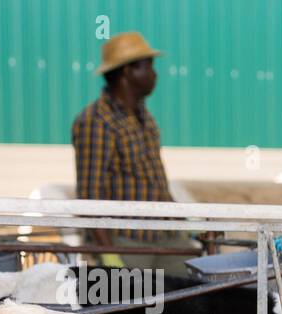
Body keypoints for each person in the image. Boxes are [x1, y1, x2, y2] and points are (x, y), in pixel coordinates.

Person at [71, 31, 195, 276]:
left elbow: (155, 181)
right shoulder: (97, 121)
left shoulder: (143, 117)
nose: (154, 73)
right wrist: (108, 254)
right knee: (134, 310)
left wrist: (184, 225)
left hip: (166, 236)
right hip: (127, 241)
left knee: (189, 298)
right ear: (127, 71)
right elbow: (89, 195)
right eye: (147, 66)